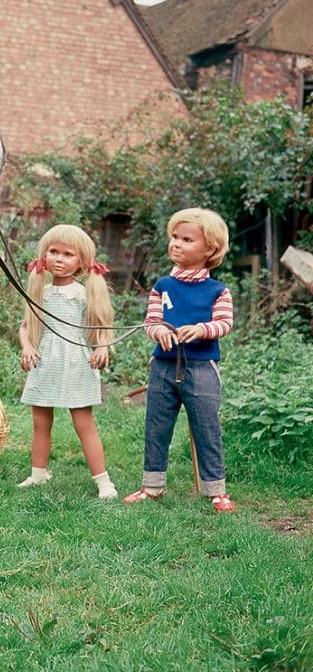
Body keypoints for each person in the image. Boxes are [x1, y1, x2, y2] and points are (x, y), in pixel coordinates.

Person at [124, 207, 235, 513]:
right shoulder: (162, 286)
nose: (176, 243)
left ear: (209, 249)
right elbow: (151, 321)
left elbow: (224, 324)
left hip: (201, 368)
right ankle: (152, 486)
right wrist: (159, 331)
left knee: (207, 428)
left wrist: (201, 330)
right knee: (156, 426)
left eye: (187, 239)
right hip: (162, 367)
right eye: (174, 236)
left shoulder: (218, 291)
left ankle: (216, 490)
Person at [17, 224, 118, 499]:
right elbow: (25, 326)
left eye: (68, 254)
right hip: (45, 362)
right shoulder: (41, 292)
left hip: (76, 363)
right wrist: (27, 346)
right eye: (53, 252)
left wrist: (102, 347)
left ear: (81, 262)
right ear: (44, 255)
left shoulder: (83, 293)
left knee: (84, 424)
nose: (59, 259)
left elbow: (102, 325)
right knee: (40, 422)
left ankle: (103, 481)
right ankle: (38, 474)